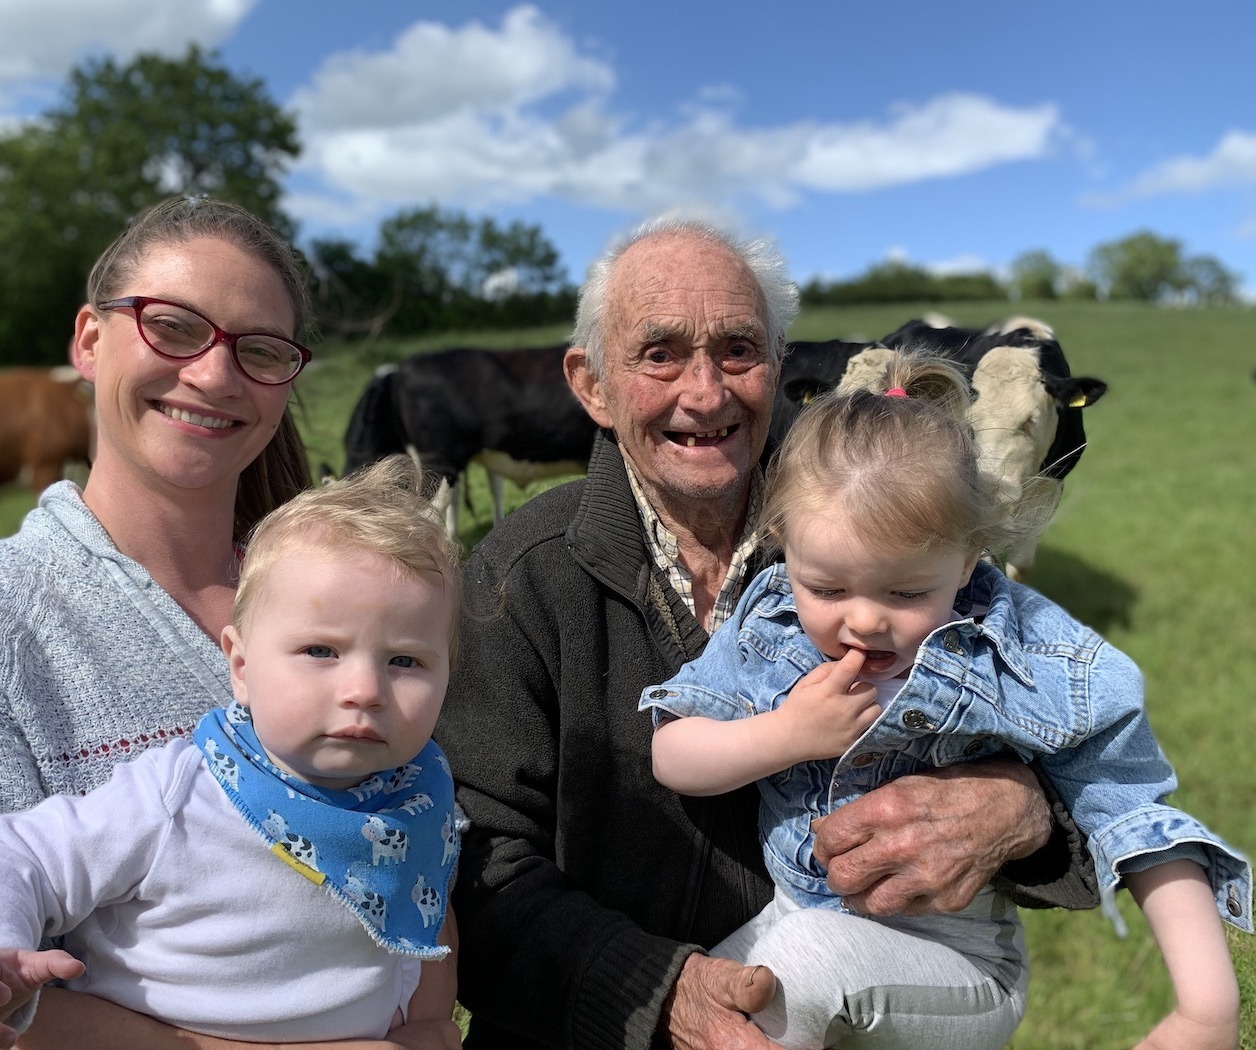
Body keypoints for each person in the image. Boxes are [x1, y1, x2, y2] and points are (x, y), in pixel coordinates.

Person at [432, 216, 1098, 1050]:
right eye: (660, 353)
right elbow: (469, 854)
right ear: (592, 383)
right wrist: (651, 992)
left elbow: (1086, 730)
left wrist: (1026, 810)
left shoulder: (889, 528)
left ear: (780, 367)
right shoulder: (521, 576)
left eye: (739, 350)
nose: (706, 393)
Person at [0, 196, 427, 1050]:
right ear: (89, 340)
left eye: (259, 350)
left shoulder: (358, 615)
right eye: (173, 327)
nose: (213, 374)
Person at [641, 351, 1250, 1049]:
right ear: (783, 546)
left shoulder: (1025, 651)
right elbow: (673, 750)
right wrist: (787, 733)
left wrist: (1206, 1005)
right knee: (692, 1008)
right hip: (795, 917)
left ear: (969, 558)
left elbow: (1134, 815)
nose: (863, 621)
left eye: (905, 593)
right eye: (829, 589)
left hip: (959, 964)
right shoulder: (773, 625)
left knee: (802, 968)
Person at [0, 457, 465, 1049]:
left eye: (404, 661)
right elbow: (6, 855)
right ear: (241, 666)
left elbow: (424, 904)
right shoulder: (180, 799)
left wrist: (432, 1020)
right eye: (320, 651)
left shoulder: (415, 791)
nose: (364, 690)